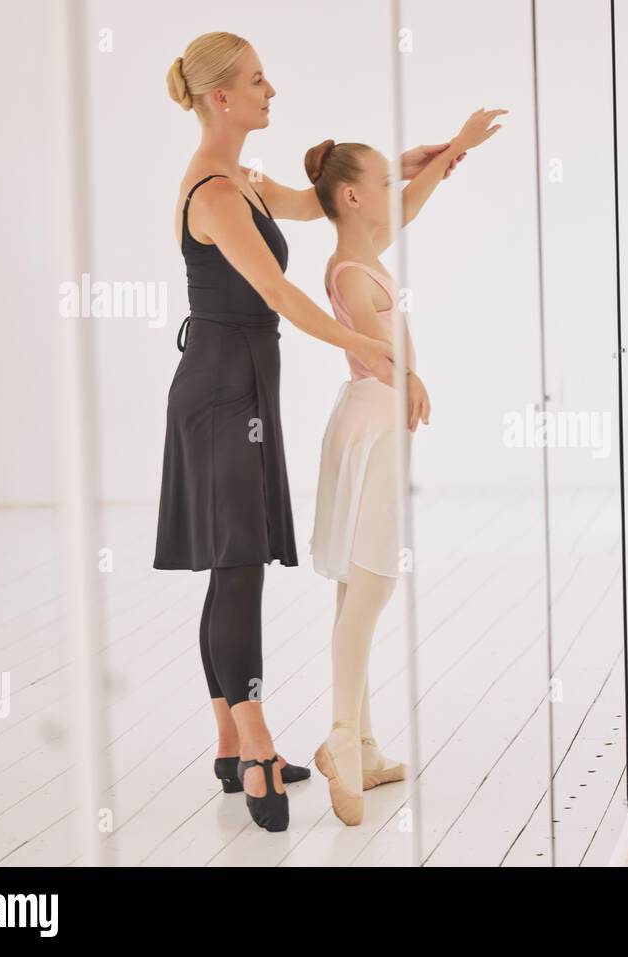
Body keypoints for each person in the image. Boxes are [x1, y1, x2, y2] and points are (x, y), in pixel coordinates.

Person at [155, 31, 462, 832]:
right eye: (258, 81)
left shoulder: (246, 183)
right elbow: (284, 295)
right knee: (241, 563)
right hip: (221, 390)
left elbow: (327, 201)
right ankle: (254, 743)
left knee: (237, 560)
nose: (272, 91)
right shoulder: (216, 195)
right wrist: (370, 346)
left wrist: (398, 164)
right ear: (220, 98)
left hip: (243, 384)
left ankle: (229, 737)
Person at [306, 110, 506, 824]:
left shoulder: (369, 248)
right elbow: (369, 339)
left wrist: (452, 150)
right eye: (384, 181)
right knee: (375, 581)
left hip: (372, 416)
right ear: (354, 197)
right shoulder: (350, 271)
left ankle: (359, 739)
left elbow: (413, 205)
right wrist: (410, 374)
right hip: (373, 420)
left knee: (357, 583)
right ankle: (339, 737)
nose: (397, 189)